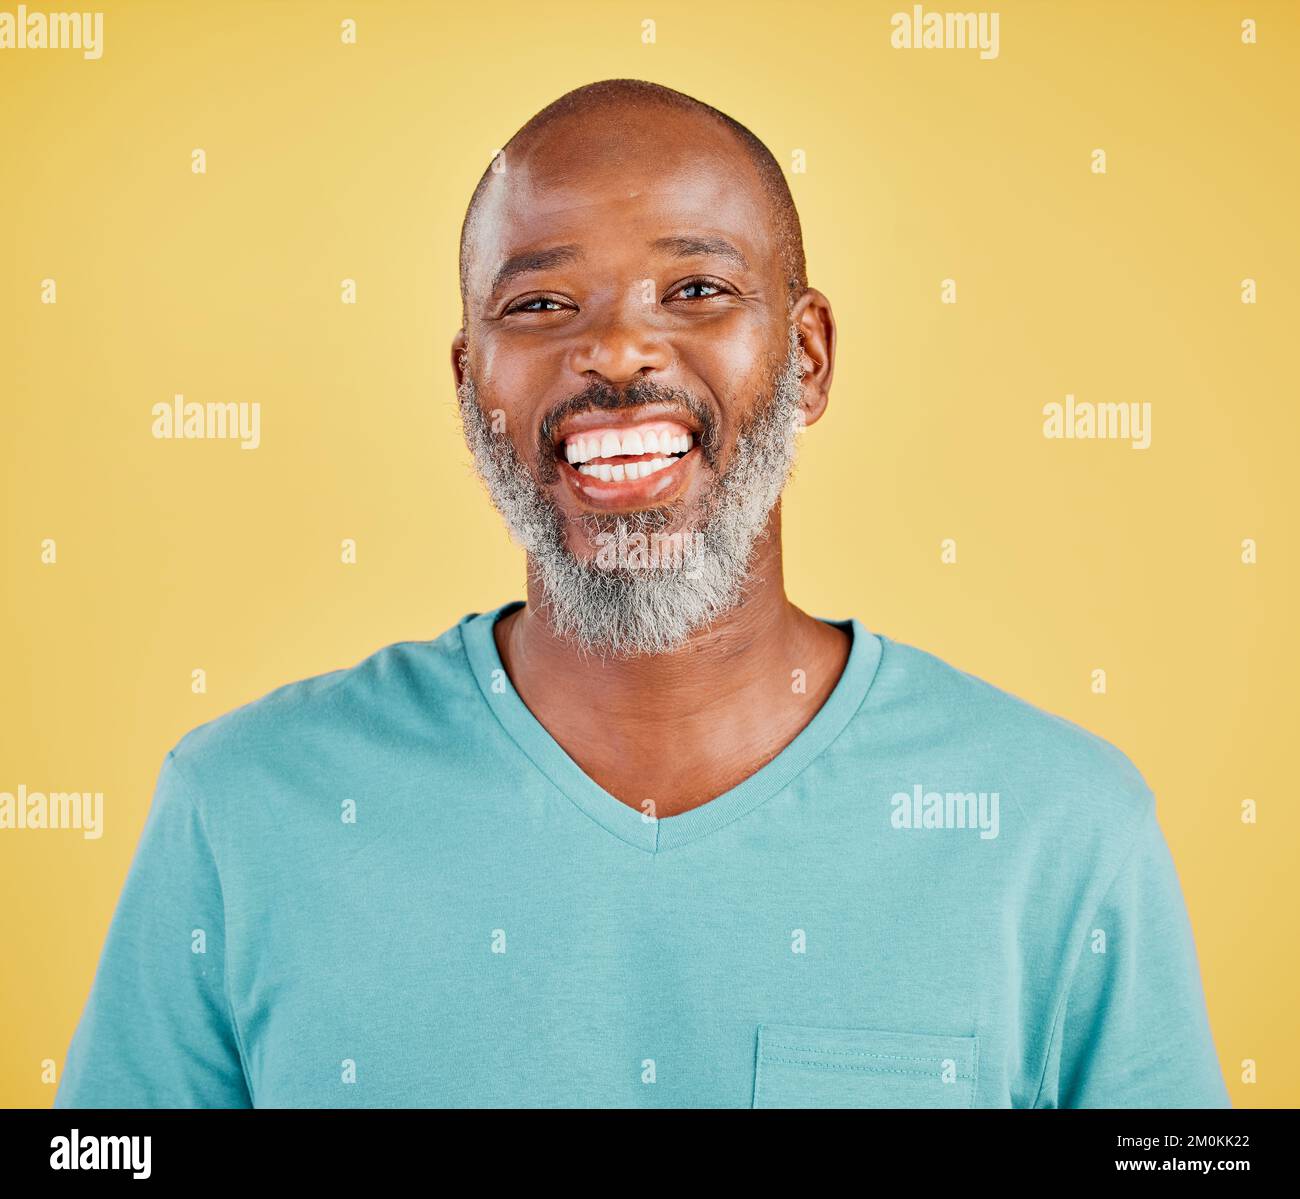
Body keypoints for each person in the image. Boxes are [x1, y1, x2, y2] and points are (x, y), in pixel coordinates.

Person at [54, 79, 1230, 1109]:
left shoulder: (1059, 826)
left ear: (806, 356)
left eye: (698, 289)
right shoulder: (242, 809)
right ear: (474, 384)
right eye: (540, 306)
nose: (617, 352)